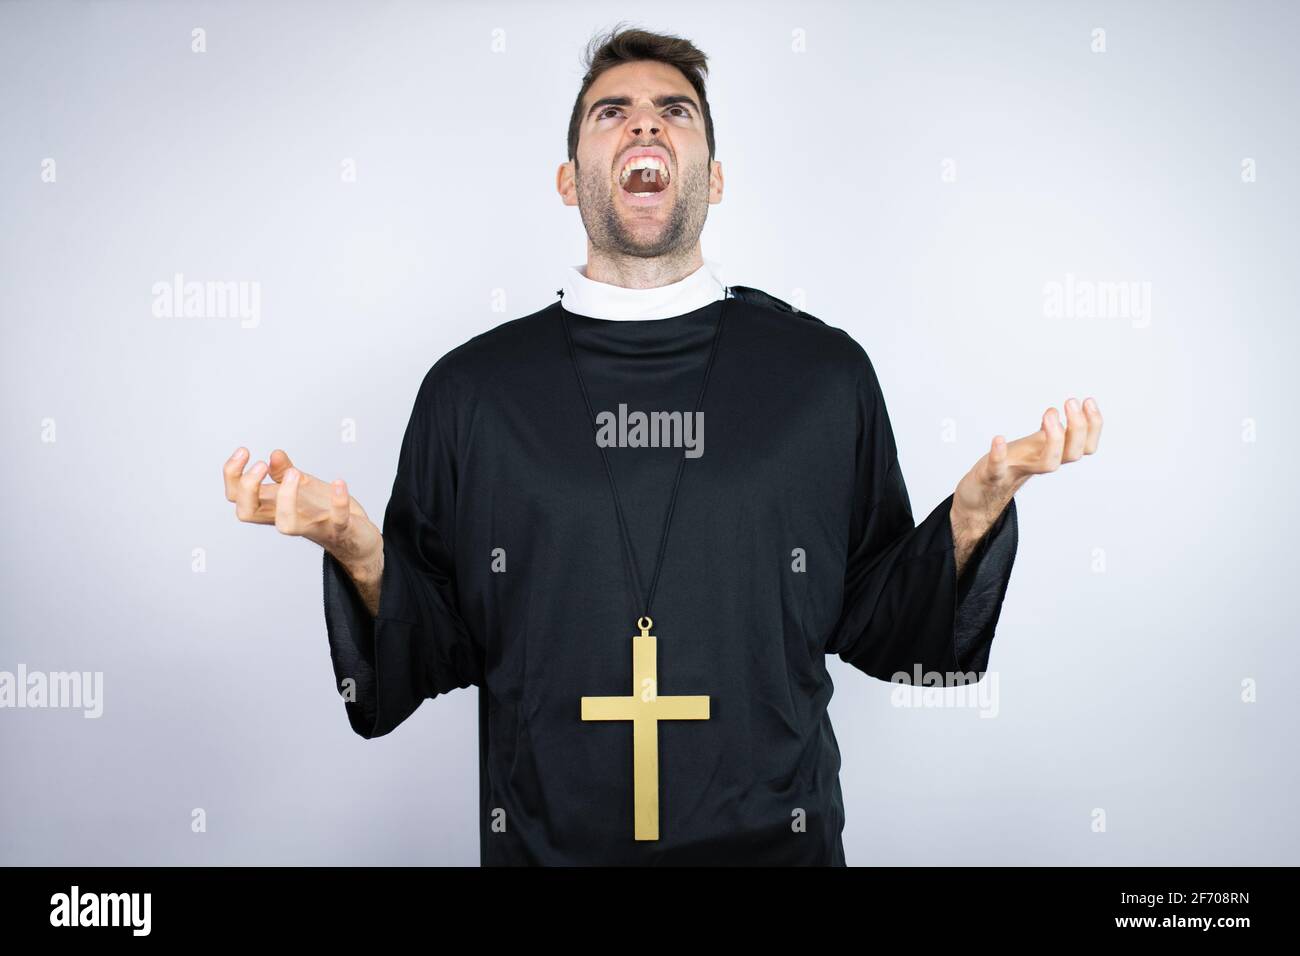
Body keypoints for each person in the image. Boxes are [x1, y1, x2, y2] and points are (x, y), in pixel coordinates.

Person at [222, 26, 1102, 865]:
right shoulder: (473, 391)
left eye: (674, 110)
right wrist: (355, 547)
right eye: (612, 111)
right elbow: (437, 641)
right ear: (569, 181)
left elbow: (880, 617)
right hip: (548, 855)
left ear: (714, 179)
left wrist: (976, 513)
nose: (644, 121)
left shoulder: (820, 375)